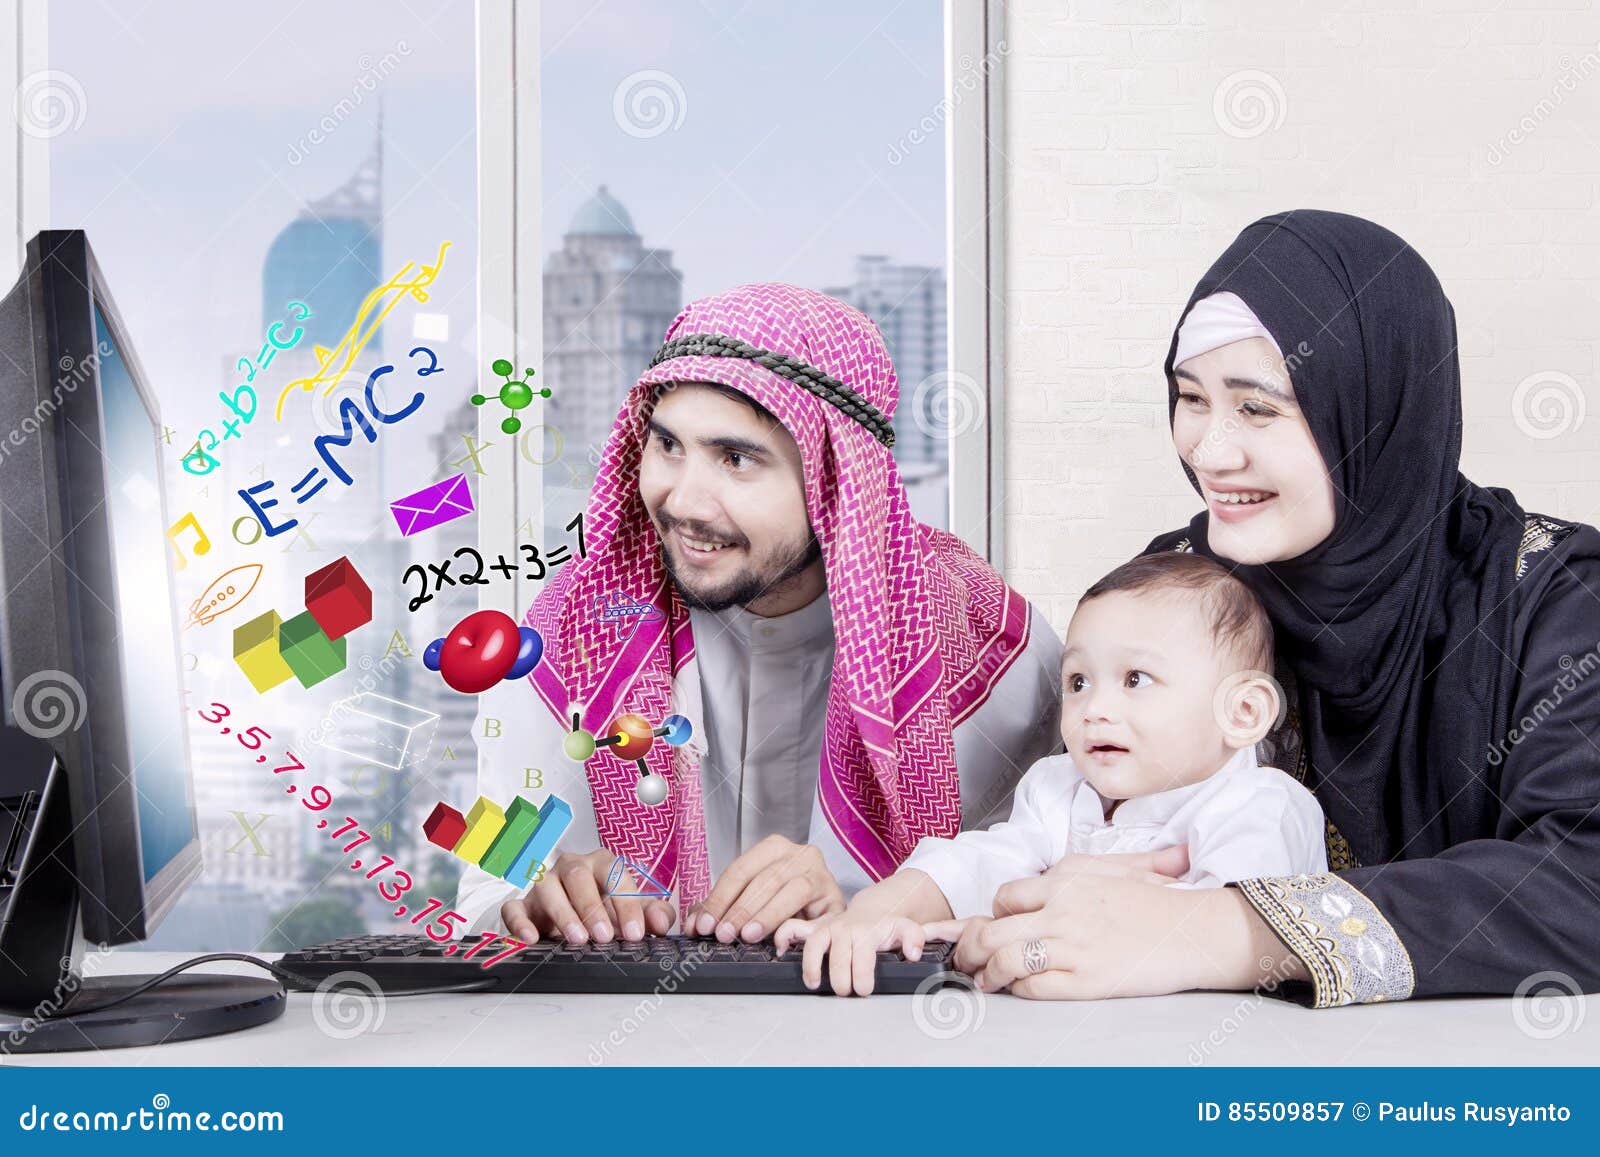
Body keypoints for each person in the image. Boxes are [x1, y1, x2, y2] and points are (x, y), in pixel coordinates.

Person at [940, 209, 1600, 1007]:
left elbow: (1583, 880)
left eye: (1258, 408)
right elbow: (1071, 824)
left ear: (1377, 407)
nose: (1209, 451)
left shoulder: (1552, 596)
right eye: (1190, 398)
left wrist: (1215, 931)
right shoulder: (1184, 590)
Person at [455, 283, 1062, 946]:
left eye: (736, 459)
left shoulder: (992, 645)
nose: (683, 501)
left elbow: (1051, 900)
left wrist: (861, 909)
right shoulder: (572, 626)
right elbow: (485, 881)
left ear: (838, 479)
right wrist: (532, 896)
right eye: (668, 445)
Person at [775, 551, 1327, 995]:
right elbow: (986, 860)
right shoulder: (1057, 786)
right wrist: (880, 911)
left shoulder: (1260, 805)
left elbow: (1242, 933)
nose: (1094, 709)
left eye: (1136, 679)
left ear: (1243, 712)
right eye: (1079, 681)